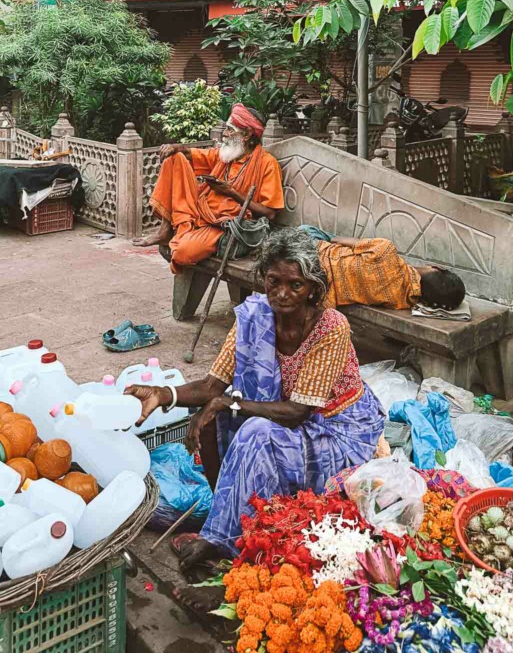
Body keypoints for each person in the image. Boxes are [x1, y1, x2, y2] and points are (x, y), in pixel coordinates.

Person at [126, 229, 384, 607]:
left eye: (295, 285)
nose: (281, 293)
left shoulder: (330, 328)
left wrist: (230, 404)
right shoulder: (255, 317)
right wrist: (165, 394)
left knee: (255, 430)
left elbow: (298, 412)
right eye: (273, 282)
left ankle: (238, 567)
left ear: (312, 288)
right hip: (285, 415)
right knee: (215, 417)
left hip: (338, 430)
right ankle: (223, 530)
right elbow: (215, 383)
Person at [133, 104, 284, 272]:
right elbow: (189, 154)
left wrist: (231, 193)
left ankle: (184, 234)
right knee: (174, 158)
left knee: (182, 252)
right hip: (200, 212)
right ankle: (166, 229)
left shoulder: (267, 164)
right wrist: (176, 147)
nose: (224, 134)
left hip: (225, 226)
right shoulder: (226, 155)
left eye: (230, 129)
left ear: (247, 134)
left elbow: (270, 213)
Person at [308, 232, 466, 312]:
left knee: (319, 233)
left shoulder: (385, 251)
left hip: (311, 254)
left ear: (437, 268)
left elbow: (336, 240)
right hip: (321, 288)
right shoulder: (400, 302)